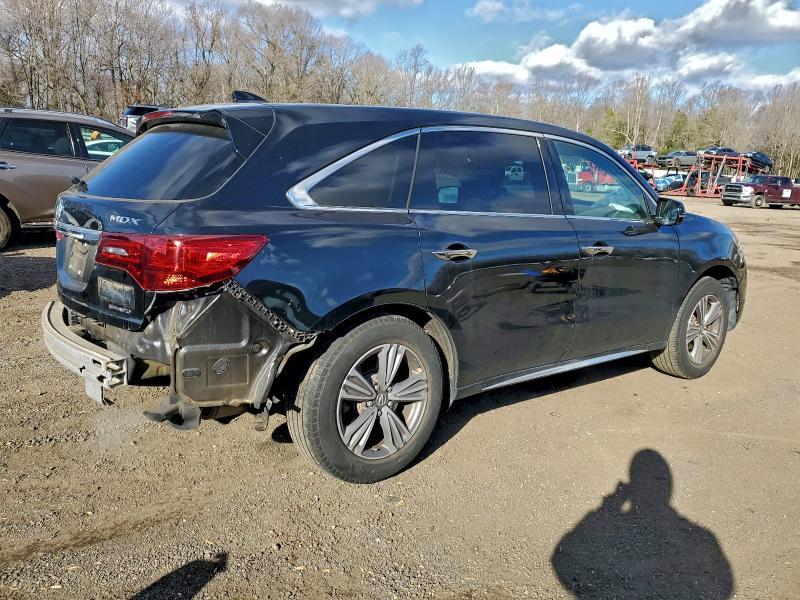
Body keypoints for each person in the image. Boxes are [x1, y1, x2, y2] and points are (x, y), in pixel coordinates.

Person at [551, 450, 734, 599]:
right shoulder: (702, 538)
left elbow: (561, 556)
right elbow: (724, 584)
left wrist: (608, 506)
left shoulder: (700, 538)